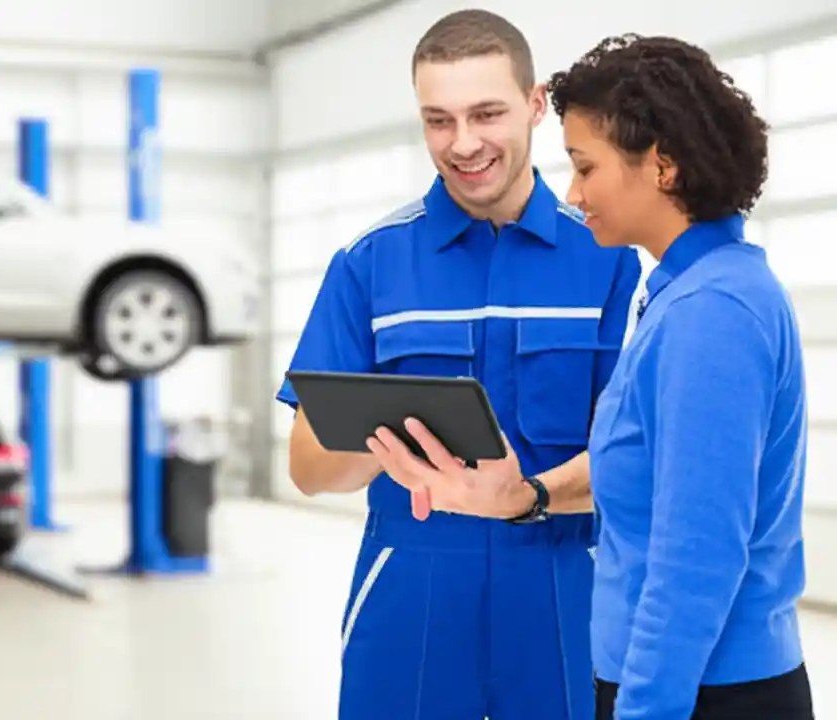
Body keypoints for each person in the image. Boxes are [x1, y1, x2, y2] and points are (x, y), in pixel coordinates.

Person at [373, 34, 814, 719]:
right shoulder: (687, 293)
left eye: (586, 167)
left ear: (662, 166)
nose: (575, 193)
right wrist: (525, 496)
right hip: (676, 682)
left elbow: (696, 557)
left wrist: (644, 711)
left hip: (700, 692)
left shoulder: (711, 313)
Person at [275, 10, 641, 720]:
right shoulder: (369, 263)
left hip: (565, 586)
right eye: (438, 120)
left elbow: (632, 459)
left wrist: (527, 494)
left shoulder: (609, 258)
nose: (464, 143)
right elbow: (308, 468)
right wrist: (389, 443)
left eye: (487, 113)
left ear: (536, 105)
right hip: (410, 583)